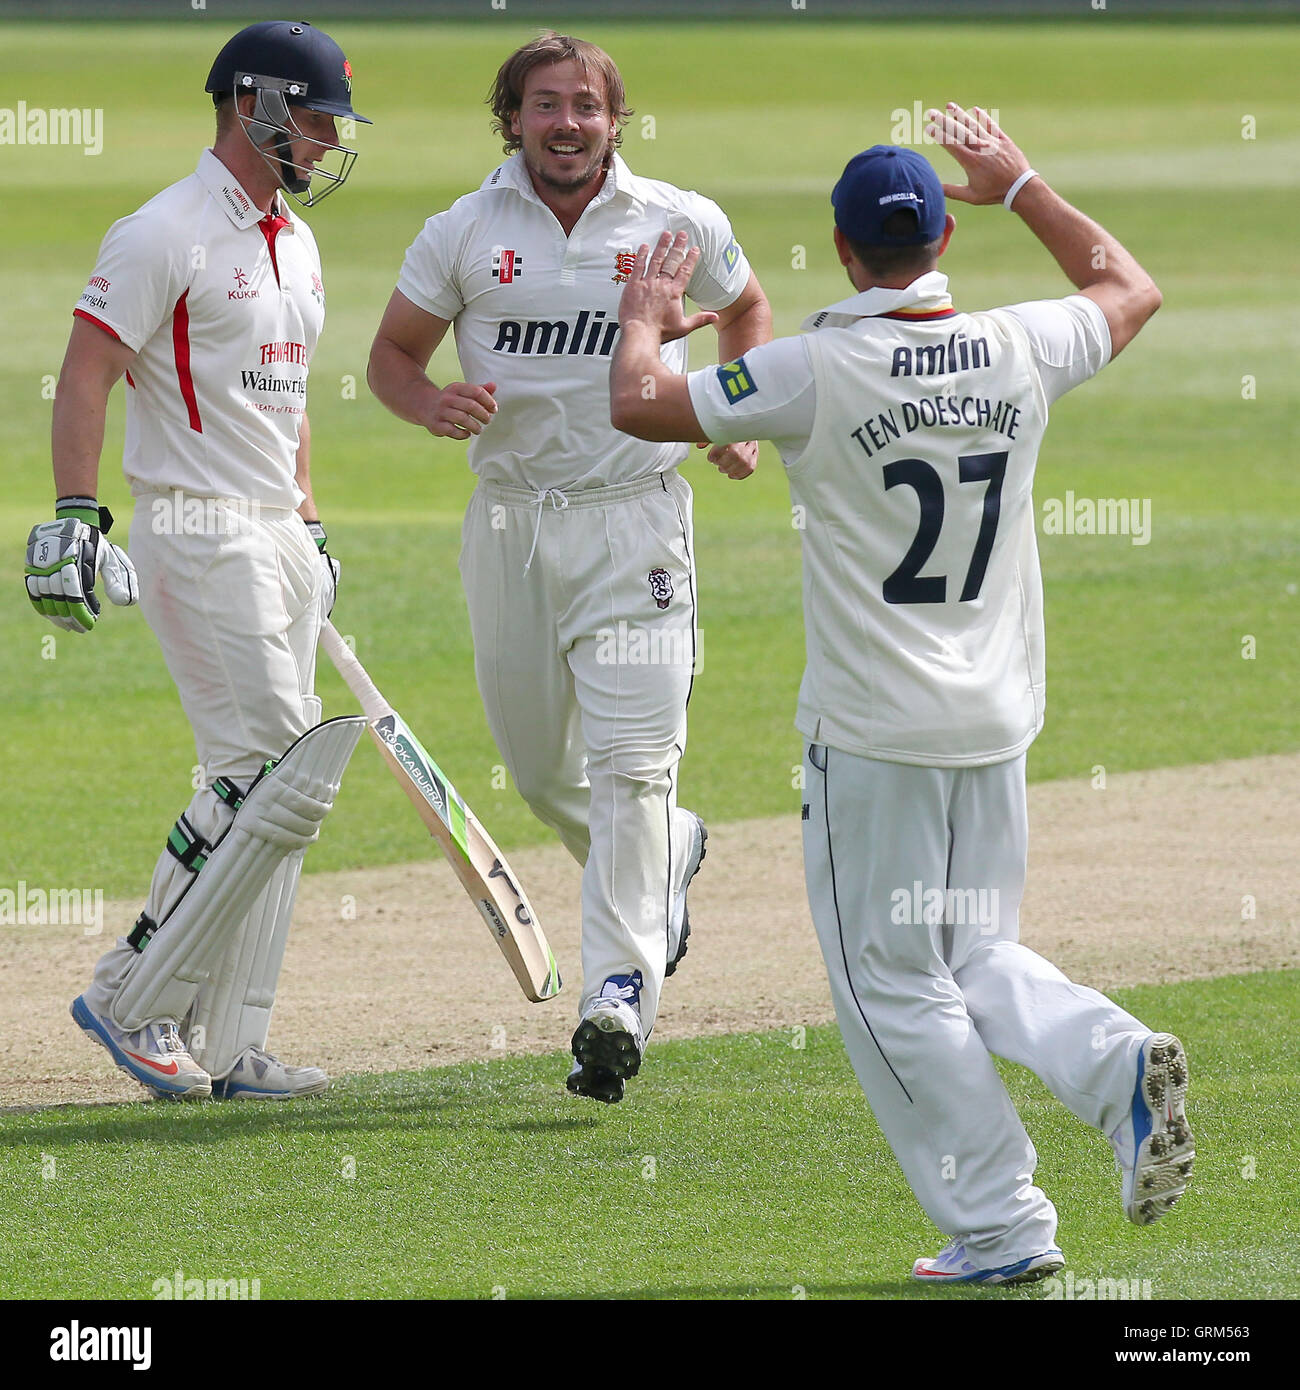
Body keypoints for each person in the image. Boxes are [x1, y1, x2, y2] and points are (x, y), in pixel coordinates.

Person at [610, 105, 1193, 1282]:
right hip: (993, 721)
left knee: (888, 979)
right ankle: (1109, 1060)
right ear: (941, 239)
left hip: (874, 733)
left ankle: (1001, 1220)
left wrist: (642, 315)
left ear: (839, 249)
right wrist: (1022, 179)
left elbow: (636, 404)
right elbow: (1127, 285)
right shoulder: (1019, 343)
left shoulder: (815, 365)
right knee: (973, 955)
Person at [368, 32, 771, 1104]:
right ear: (510, 120)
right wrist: (428, 403)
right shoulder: (461, 229)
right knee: (543, 772)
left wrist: (736, 409)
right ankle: (668, 851)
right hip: (509, 527)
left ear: (612, 120)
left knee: (633, 765)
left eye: (585, 106)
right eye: (544, 105)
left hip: (634, 523)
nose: (566, 124)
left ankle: (616, 998)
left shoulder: (675, 221)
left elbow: (746, 311)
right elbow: (391, 357)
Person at [25, 20, 373, 1101]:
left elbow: (291, 398)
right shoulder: (162, 230)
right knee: (275, 778)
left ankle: (230, 1044)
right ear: (252, 104)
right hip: (195, 524)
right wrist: (78, 513)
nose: (323, 141)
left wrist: (310, 521)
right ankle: (132, 996)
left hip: (276, 529)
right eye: (313, 118)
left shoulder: (295, 241)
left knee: (272, 786)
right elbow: (87, 370)